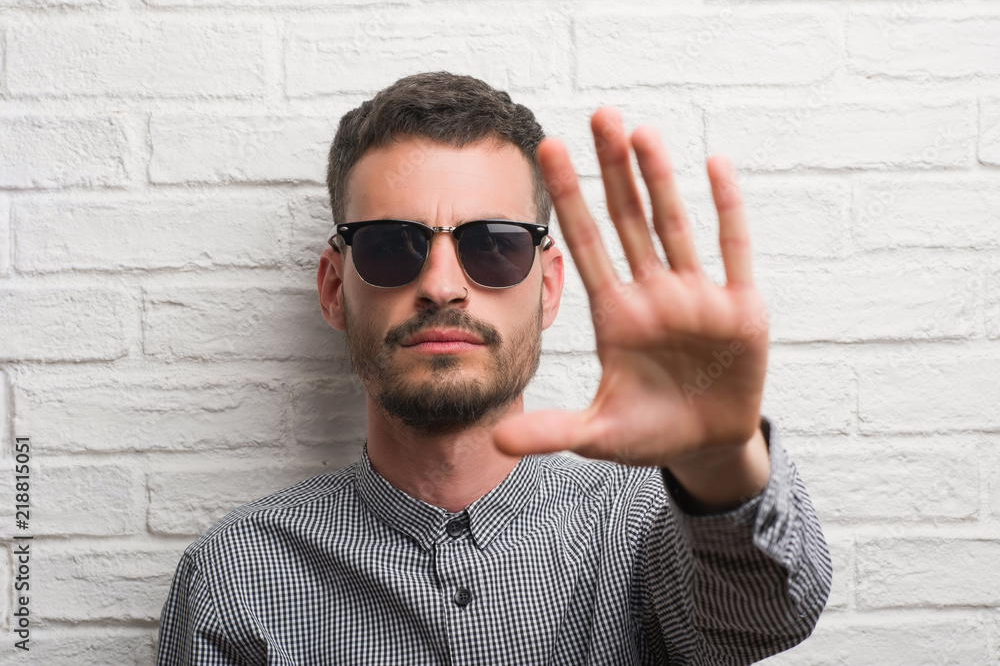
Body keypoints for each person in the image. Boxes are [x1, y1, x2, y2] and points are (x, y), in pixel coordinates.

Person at [157, 71, 832, 665]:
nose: (442, 286)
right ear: (335, 289)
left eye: (493, 246)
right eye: (392, 246)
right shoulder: (236, 578)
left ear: (549, 288)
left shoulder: (643, 528)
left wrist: (719, 463)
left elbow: (767, 614)